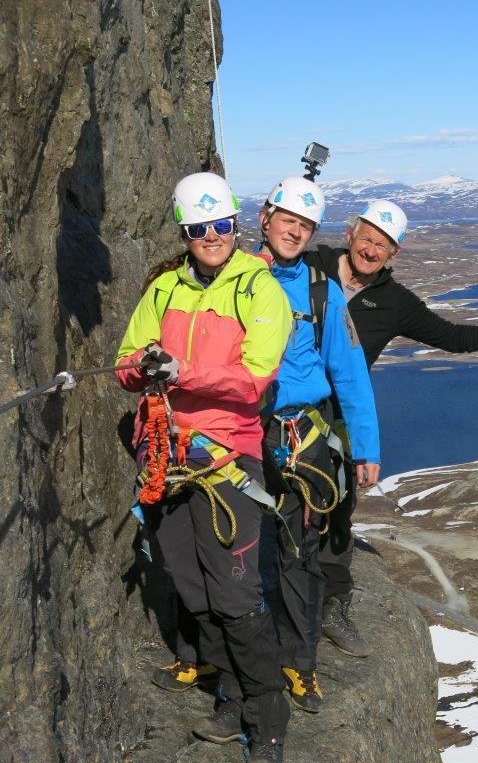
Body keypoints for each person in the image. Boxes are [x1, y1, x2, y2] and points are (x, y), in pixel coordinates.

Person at [306, 200, 478, 657]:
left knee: (338, 509)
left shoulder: (395, 303)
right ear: (350, 235)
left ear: (394, 253)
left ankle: (332, 606)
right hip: (287, 407)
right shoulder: (309, 266)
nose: (371, 249)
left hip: (340, 417)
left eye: (383, 245)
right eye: (367, 238)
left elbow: (453, 337)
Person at [115, 172, 292, 763]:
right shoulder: (164, 289)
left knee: (236, 595)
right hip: (167, 454)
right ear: (185, 232)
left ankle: (266, 717)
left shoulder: (258, 290)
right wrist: (145, 368)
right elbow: (123, 363)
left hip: (226, 458)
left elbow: (253, 379)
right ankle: (230, 695)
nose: (212, 236)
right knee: (192, 588)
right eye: (199, 228)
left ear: (235, 225)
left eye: (220, 226)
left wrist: (181, 372)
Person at [257, 175, 381, 713]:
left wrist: (365, 449)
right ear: (265, 218)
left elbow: (349, 372)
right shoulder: (233, 278)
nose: (296, 231)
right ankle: (231, 657)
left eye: (306, 225)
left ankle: (298, 665)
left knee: (298, 553)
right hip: (237, 432)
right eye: (289, 219)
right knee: (234, 551)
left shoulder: (320, 290)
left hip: (297, 437)